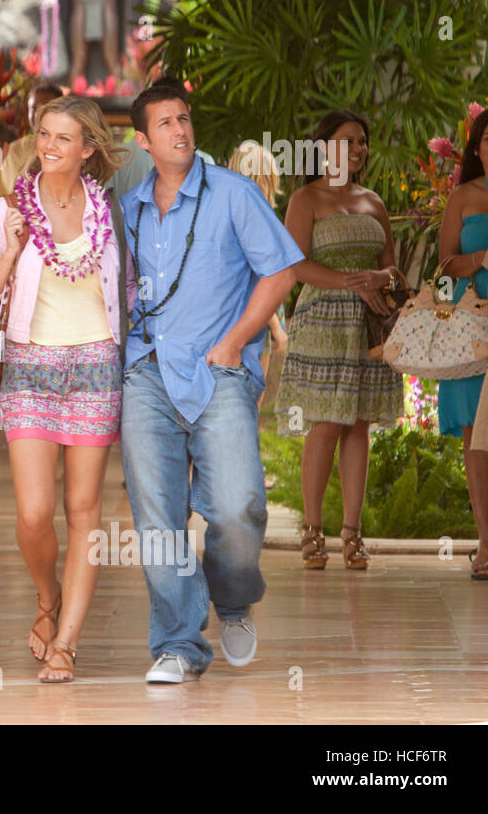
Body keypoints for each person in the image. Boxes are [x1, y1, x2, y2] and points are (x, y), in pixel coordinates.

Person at [119, 83, 302, 684]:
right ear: (143, 141)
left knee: (239, 505)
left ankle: (232, 598)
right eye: (165, 123)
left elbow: (280, 271)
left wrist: (233, 343)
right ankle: (177, 642)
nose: (180, 130)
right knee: (157, 518)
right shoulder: (128, 210)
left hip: (219, 372)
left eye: (184, 119)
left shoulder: (233, 194)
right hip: (148, 373)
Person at [0, 95, 131, 682]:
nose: (50, 146)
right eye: (43, 134)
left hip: (95, 364)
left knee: (83, 510)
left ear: (88, 149)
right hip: (30, 368)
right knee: (35, 514)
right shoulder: (6, 210)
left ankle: (67, 640)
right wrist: (11, 250)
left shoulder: (111, 212)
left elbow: (127, 291)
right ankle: (46, 597)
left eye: (64, 138)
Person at [272, 112, 402, 570]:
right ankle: (312, 530)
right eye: (348, 141)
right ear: (324, 147)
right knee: (325, 424)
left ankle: (353, 533)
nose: (359, 149)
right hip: (322, 319)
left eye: (363, 142)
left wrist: (379, 278)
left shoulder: (374, 201)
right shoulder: (306, 198)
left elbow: (392, 268)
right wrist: (353, 282)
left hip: (369, 324)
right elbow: (295, 266)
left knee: (359, 425)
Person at [439, 106, 488, 579]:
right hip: (472, 322)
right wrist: (484, 257)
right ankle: (486, 542)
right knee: (476, 437)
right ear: (477, 148)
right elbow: (444, 265)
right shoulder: (462, 196)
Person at [228, 140, 288, 414]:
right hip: (256, 321)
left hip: (231, 317)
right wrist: (277, 329)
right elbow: (260, 280)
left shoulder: (228, 212)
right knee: (247, 403)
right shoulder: (257, 218)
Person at [0, 83, 64, 197]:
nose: (38, 113)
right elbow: (0, 198)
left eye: (45, 107)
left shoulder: (72, 150)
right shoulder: (13, 151)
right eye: (34, 108)